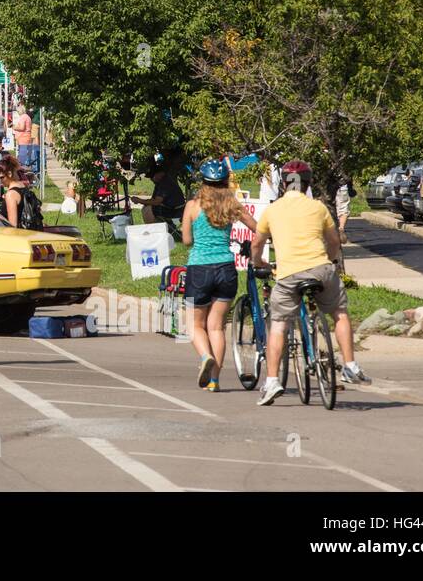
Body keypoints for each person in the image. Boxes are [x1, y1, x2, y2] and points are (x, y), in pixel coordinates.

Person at [251, 160, 371, 406]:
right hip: (321, 269)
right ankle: (349, 365)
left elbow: (257, 244)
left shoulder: (272, 211)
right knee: (339, 313)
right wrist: (328, 261)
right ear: (308, 184)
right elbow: (335, 241)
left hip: (288, 275)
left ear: (283, 184)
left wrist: (259, 263)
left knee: (279, 324)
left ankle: (273, 381)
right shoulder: (318, 208)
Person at [181, 160, 258, 392]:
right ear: (225, 182)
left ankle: (205, 357)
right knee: (216, 327)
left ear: (202, 182)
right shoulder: (231, 205)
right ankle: (214, 380)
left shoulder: (192, 206)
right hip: (226, 268)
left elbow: (186, 240)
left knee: (194, 325)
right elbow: (256, 227)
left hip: (199, 270)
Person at [0, 155, 44, 229]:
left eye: (2, 177)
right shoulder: (22, 186)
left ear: (9, 174)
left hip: (19, 236)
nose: (0, 181)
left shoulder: (11, 194)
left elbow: (13, 226)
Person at [133, 158, 187, 226]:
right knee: (147, 206)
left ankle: (153, 231)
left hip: (176, 212)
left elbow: (157, 201)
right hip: (170, 209)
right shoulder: (160, 182)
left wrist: (139, 200)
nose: (151, 179)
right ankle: (156, 229)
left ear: (159, 174)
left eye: (152, 177)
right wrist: (142, 201)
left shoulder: (165, 183)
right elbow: (153, 199)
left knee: (147, 209)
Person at [12, 103, 35, 174]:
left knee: (22, 154)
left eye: (18, 112)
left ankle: (22, 169)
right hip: (26, 137)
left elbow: (22, 127)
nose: (18, 113)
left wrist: (14, 127)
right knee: (26, 154)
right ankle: (26, 167)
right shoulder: (27, 117)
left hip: (23, 138)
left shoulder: (23, 117)